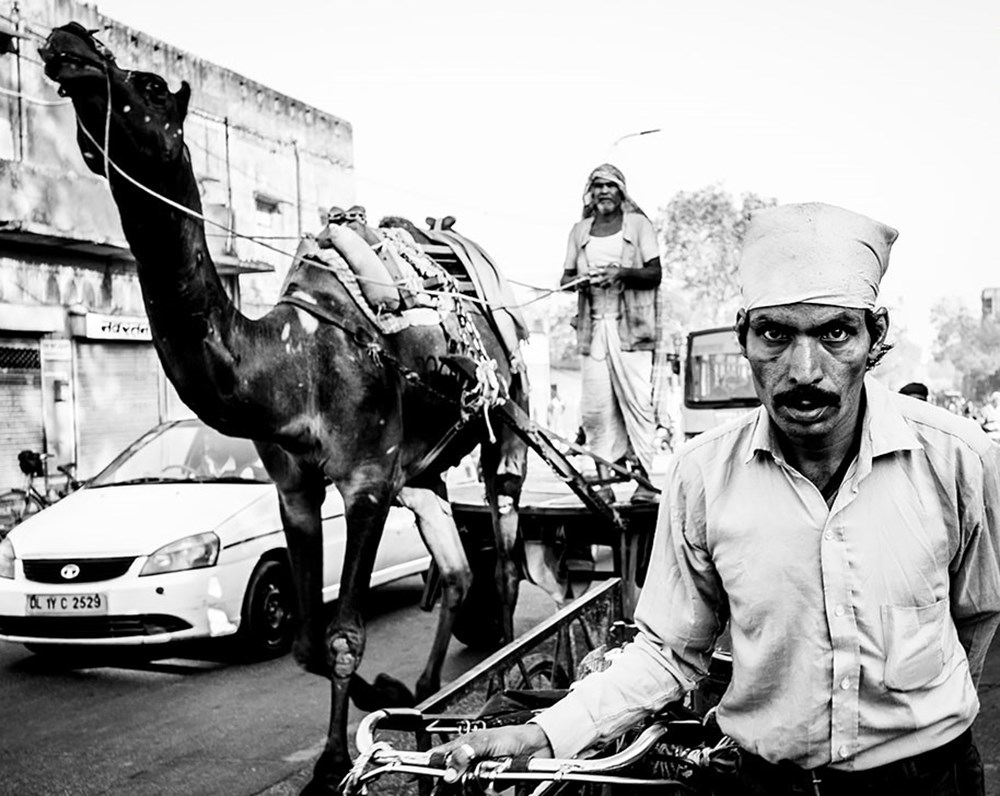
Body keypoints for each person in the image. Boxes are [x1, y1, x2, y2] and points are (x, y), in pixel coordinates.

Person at [435, 202, 1000, 794]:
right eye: (775, 335)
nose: (804, 370)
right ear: (744, 339)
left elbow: (977, 618)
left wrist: (923, 718)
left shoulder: (957, 459)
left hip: (931, 778)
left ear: (874, 337)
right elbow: (669, 652)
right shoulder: (702, 475)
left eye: (835, 333)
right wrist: (544, 735)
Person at [560, 163, 662, 502]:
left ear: (621, 192)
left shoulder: (638, 225)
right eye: (598, 186)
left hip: (631, 329)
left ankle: (644, 483)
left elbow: (654, 274)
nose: (604, 191)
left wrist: (620, 274)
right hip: (593, 330)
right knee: (595, 408)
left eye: (610, 186)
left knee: (637, 404)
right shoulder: (580, 231)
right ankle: (603, 485)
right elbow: (565, 280)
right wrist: (583, 281)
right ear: (591, 193)